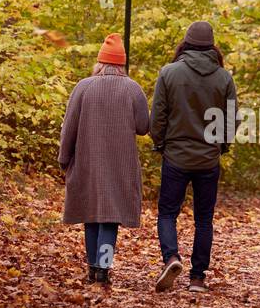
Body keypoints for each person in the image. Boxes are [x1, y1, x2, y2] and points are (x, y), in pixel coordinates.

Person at [150, 20, 237, 292]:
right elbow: (231, 120)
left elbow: (158, 117)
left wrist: (160, 141)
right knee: (203, 219)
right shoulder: (224, 77)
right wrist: (222, 145)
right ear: (212, 46)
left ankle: (171, 257)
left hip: (175, 156)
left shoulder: (169, 72)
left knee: (167, 213)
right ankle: (198, 277)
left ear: (185, 43)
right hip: (208, 159)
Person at [58, 33, 150, 284]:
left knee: (91, 215)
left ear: (100, 62)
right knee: (110, 217)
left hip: (87, 163)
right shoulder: (133, 89)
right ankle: (103, 268)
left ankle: (92, 268)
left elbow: (69, 127)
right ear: (122, 64)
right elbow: (144, 126)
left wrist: (64, 159)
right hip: (120, 166)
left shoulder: (83, 87)